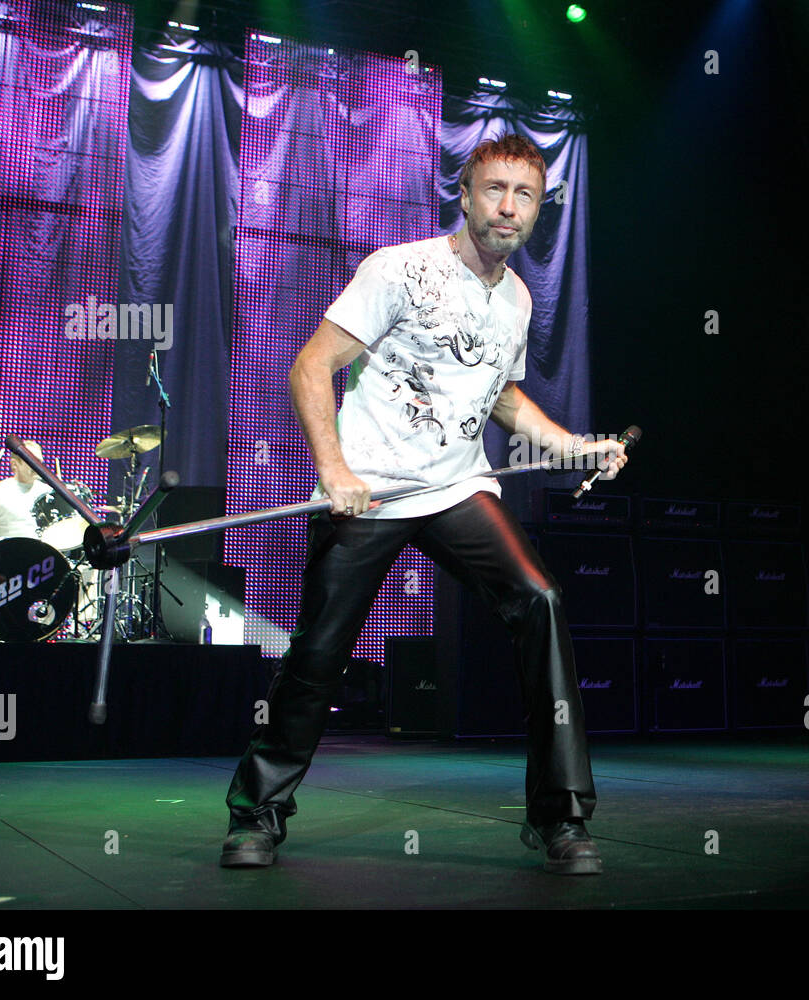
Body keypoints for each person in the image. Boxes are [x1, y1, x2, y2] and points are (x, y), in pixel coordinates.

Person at [222, 134, 626, 874]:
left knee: (539, 601)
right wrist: (334, 467)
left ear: (538, 211)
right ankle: (257, 811)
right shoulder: (399, 268)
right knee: (318, 651)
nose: (508, 206)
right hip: (369, 486)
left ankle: (561, 816)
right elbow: (313, 364)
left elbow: (500, 396)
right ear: (466, 195)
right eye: (494, 190)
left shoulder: (517, 300)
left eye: (524, 195)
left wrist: (573, 445)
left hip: (455, 487)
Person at [0, 439, 50, 543]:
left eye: (40, 462)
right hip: (4, 555)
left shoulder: (48, 493)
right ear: (14, 464)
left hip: (41, 557)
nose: (37, 466)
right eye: (32, 461)